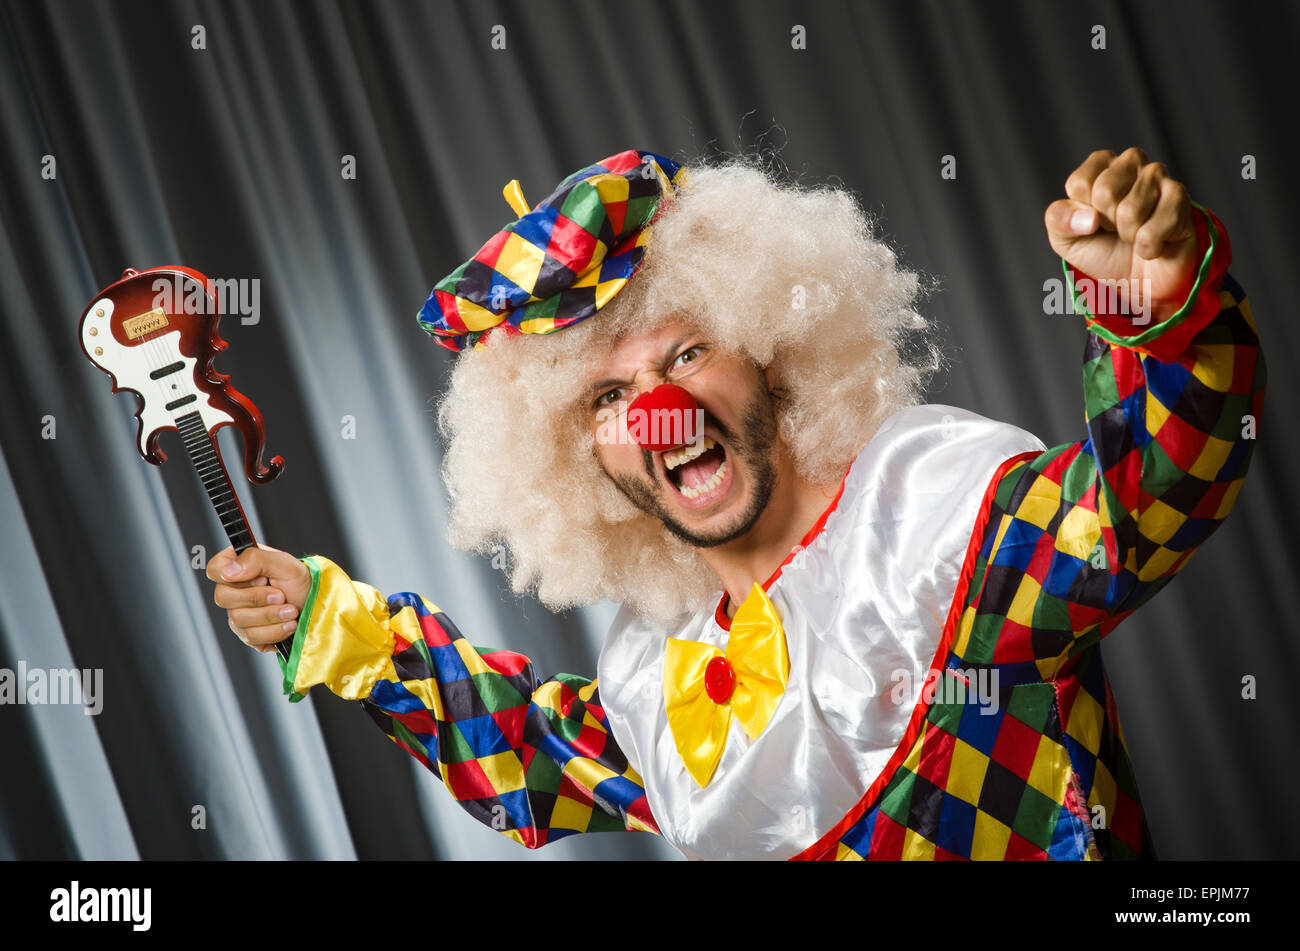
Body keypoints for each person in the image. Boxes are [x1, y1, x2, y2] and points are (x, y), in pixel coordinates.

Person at [207, 147, 1264, 860]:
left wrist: (1145, 305)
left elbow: (1146, 492)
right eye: (610, 396)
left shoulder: (938, 530)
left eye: (686, 353)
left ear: (768, 349)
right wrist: (334, 625)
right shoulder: (655, 685)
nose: (661, 413)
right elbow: (527, 749)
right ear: (581, 457)